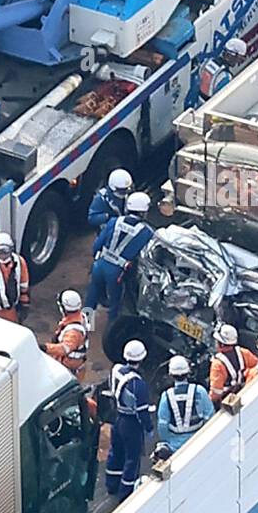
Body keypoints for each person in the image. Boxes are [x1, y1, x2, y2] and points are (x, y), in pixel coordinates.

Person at [85, 191, 154, 325]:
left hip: (99, 265)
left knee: (91, 297)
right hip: (116, 271)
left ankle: (85, 327)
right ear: (144, 211)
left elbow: (97, 244)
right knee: (115, 304)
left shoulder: (114, 221)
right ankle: (111, 330)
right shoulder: (147, 232)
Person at [105, 340, 154, 501]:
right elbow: (142, 412)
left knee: (115, 452)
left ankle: (111, 484)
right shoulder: (138, 384)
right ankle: (125, 493)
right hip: (131, 424)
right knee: (132, 459)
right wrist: (148, 428)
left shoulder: (116, 369)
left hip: (117, 418)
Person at [157, 355, 214, 453]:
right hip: (199, 441)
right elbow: (210, 416)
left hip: (174, 445)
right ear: (188, 372)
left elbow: (163, 424)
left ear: (171, 374)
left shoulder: (166, 396)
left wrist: (167, 441)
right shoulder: (200, 391)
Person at [209, 323, 258, 404]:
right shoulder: (243, 352)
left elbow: (215, 394)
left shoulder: (217, 365)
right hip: (244, 391)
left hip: (227, 400)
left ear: (221, 344)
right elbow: (257, 368)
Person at [44, 290, 88, 377]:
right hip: (69, 367)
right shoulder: (79, 317)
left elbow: (64, 349)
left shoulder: (74, 331)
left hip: (69, 370)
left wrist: (45, 348)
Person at [196, 37, 250, 103]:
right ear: (231, 55)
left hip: (198, 103)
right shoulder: (226, 76)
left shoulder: (207, 62)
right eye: (239, 58)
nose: (238, 62)